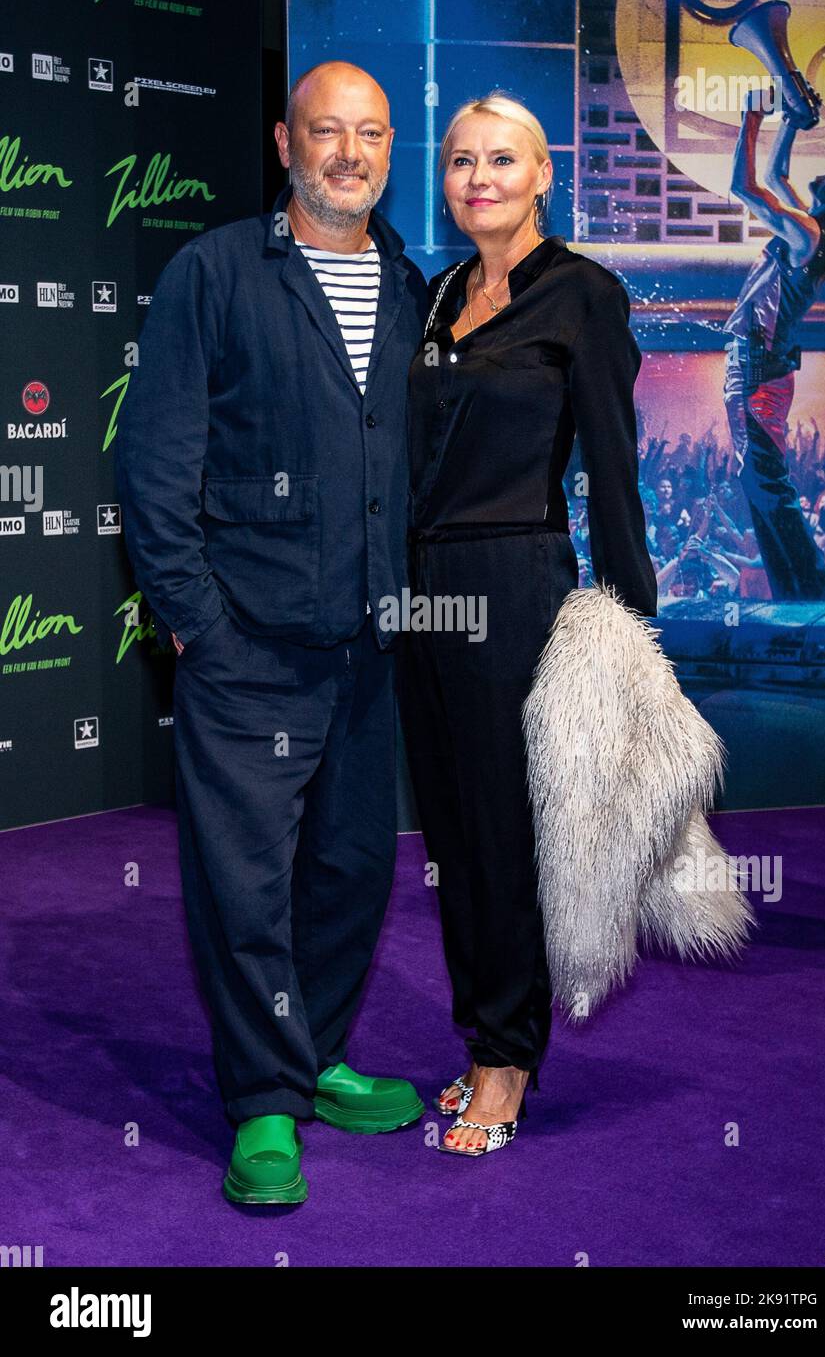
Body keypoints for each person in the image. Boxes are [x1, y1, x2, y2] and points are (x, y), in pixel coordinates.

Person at [115, 61, 428, 1206]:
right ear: (284, 143)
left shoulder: (406, 281)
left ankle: (319, 1054)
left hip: (367, 646)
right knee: (246, 886)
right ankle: (260, 1101)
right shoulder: (213, 271)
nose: (350, 153)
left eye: (372, 135)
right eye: (326, 132)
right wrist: (196, 620)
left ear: (390, 151)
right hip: (246, 649)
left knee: (348, 872)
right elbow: (153, 464)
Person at [396, 92, 657, 1157]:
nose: (480, 178)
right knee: (455, 838)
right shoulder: (439, 292)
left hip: (516, 584)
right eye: (462, 161)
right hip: (421, 589)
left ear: (544, 173)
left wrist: (633, 623)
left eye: (503, 159)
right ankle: (477, 1036)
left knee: (508, 836)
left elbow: (613, 465)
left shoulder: (584, 296)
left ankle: (509, 1059)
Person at [724, 92, 825, 598]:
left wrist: (753, 115)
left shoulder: (808, 235)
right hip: (763, 367)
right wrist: (789, 121)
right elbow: (777, 175)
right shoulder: (813, 232)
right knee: (761, 485)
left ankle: (808, 587)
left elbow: (743, 187)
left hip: (758, 368)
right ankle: (798, 587)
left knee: (766, 486)